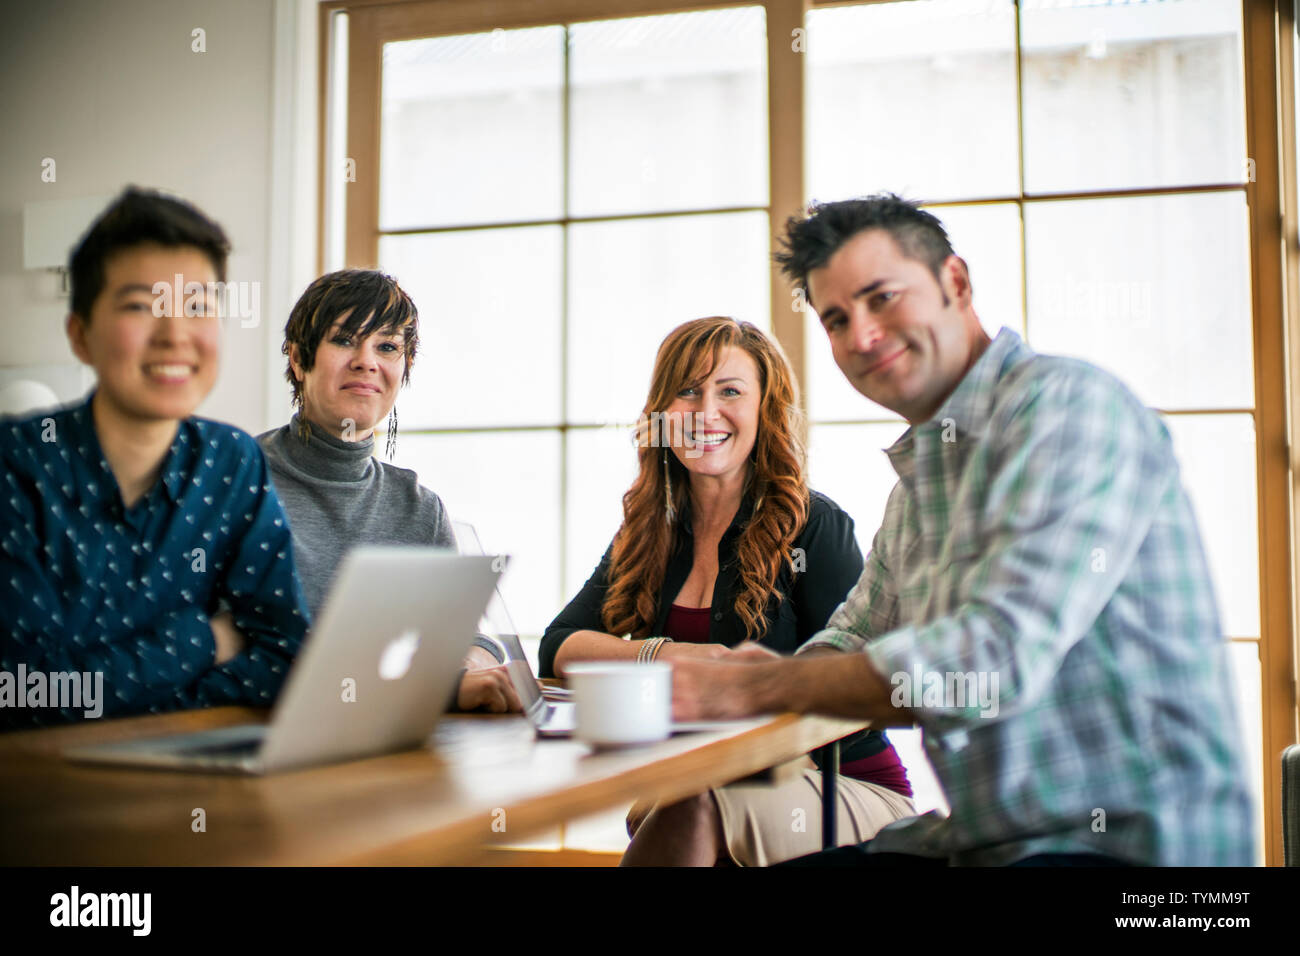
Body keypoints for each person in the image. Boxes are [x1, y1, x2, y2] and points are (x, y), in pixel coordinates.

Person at [669, 194, 1256, 866]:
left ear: (956, 281)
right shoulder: (920, 479)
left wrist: (758, 687)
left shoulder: (1068, 408)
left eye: (882, 297)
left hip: (1131, 851)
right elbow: (853, 636)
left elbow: (990, 659)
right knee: (685, 815)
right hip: (980, 840)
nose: (861, 336)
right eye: (836, 319)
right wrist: (733, 687)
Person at [540, 316, 914, 866]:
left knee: (689, 801)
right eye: (687, 391)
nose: (705, 412)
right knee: (683, 798)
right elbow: (561, 645)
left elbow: (847, 691)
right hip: (710, 781)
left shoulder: (815, 525)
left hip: (846, 785)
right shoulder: (651, 529)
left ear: (764, 411)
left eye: (730, 391)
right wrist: (670, 655)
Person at [0, 187, 307, 730]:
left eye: (197, 307)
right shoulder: (18, 465)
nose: (174, 335)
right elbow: (24, 694)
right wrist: (201, 640)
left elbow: (285, 658)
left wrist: (119, 693)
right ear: (80, 335)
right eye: (141, 305)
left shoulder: (232, 462)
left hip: (192, 780)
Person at [256, 269, 520, 713]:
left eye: (387, 347)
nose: (366, 362)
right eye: (343, 340)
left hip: (389, 743)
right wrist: (438, 687)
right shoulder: (238, 484)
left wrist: (473, 661)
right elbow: (251, 652)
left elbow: (464, 634)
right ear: (299, 360)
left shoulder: (417, 506)